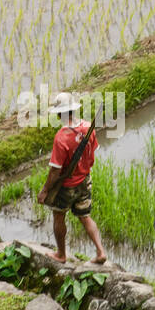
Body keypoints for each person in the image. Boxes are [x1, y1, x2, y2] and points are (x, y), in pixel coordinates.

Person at [42, 91, 108, 264]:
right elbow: (92, 151)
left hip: (67, 185)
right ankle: (101, 252)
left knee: (58, 216)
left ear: (59, 114)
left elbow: (55, 171)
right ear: (73, 110)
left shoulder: (61, 138)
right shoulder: (88, 128)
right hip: (85, 181)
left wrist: (45, 190)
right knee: (85, 216)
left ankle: (61, 254)